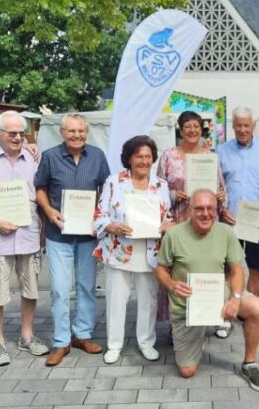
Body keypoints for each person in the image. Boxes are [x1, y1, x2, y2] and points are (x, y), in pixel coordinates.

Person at [155, 189, 259, 392]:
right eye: (199, 209)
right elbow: (161, 269)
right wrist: (172, 285)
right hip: (187, 305)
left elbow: (236, 270)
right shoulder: (174, 234)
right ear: (190, 210)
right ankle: (196, 338)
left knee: (257, 307)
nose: (205, 214)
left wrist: (235, 298)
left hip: (219, 296)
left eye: (210, 208)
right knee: (187, 371)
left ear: (216, 210)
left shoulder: (225, 232)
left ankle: (250, 363)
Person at [0, 111, 50, 367]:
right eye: (11, 133)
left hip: (28, 238)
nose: (18, 137)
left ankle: (27, 336)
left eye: (21, 132)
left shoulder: (33, 159)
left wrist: (43, 233)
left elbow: (41, 195)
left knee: (30, 291)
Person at [35, 113, 110, 366]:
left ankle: (83, 334)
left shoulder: (97, 156)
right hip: (59, 234)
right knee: (59, 289)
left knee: (87, 287)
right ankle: (60, 341)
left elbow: (106, 190)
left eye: (81, 131)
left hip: (88, 235)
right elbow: (40, 188)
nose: (77, 135)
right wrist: (48, 211)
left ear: (87, 133)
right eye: (71, 131)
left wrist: (99, 215)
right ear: (62, 133)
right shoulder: (50, 157)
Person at [93, 135, 173, 364]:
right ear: (129, 158)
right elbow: (100, 214)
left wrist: (168, 223)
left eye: (148, 156)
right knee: (116, 301)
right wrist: (112, 226)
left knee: (148, 301)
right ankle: (114, 345)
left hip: (150, 253)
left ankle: (146, 342)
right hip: (119, 251)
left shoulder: (161, 185)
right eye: (139, 156)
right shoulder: (113, 182)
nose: (144, 161)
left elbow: (167, 214)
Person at [157, 111, 227, 331]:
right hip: (179, 220)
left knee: (205, 266)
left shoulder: (210, 156)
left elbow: (221, 188)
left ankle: (205, 316)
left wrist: (222, 198)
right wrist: (173, 195)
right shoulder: (169, 156)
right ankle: (175, 322)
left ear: (202, 129)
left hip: (205, 221)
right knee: (177, 269)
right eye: (187, 126)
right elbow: (157, 190)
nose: (192, 130)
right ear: (180, 129)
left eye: (196, 126)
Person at [218, 107, 259, 338]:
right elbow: (216, 186)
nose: (242, 129)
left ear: (253, 125)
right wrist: (221, 209)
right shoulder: (221, 151)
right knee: (227, 268)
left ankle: (252, 314)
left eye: (246, 125)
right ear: (233, 126)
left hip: (257, 220)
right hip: (228, 219)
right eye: (238, 125)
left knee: (255, 267)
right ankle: (224, 316)